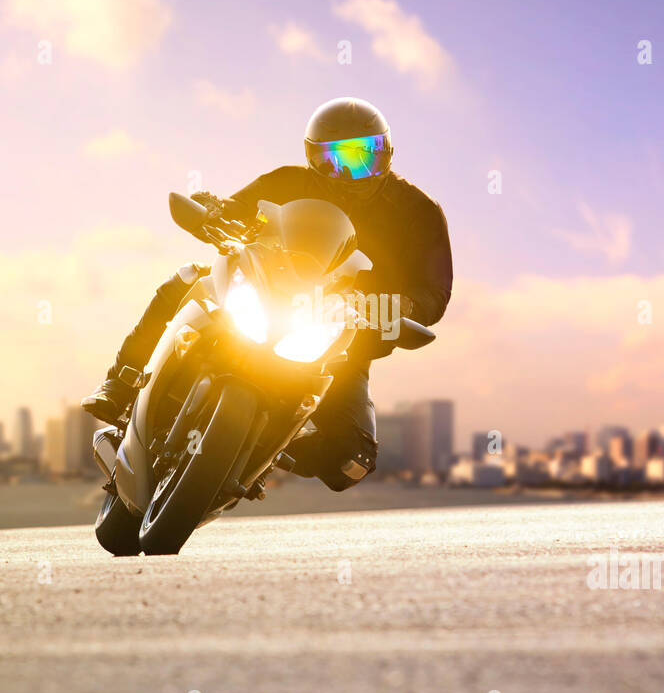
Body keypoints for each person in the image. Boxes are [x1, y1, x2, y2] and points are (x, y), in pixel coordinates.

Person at [81, 97, 453, 490]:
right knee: (187, 279)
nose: (349, 170)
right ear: (313, 156)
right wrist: (213, 211)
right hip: (259, 294)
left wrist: (404, 306)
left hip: (340, 337)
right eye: (334, 158)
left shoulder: (419, 212)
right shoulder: (286, 181)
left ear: (387, 152)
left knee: (353, 460)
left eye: (364, 156)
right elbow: (237, 210)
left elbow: (435, 290)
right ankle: (118, 383)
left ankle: (268, 450)